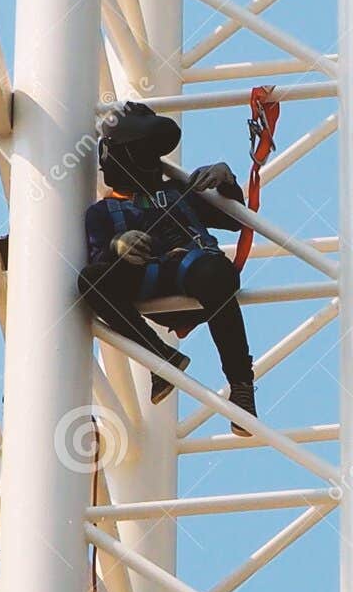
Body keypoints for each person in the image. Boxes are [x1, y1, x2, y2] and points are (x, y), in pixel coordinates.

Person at [77, 102, 257, 433]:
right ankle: (158, 356)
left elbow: (236, 222)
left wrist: (226, 182)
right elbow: (98, 262)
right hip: (145, 279)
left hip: (195, 272)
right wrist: (119, 247)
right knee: (90, 281)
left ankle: (241, 387)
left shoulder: (180, 193)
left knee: (216, 273)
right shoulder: (103, 213)